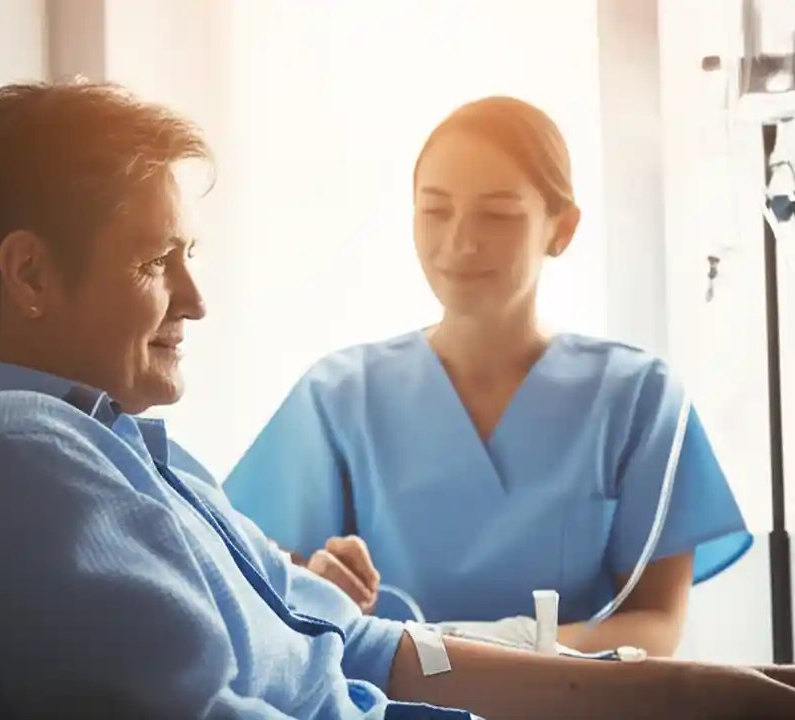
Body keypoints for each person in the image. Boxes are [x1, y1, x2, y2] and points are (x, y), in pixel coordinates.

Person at [0, 81, 795, 718]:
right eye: (156, 261)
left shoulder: (121, 449)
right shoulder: (15, 481)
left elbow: (359, 643)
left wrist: (690, 692)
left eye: (192, 256)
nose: (197, 299)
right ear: (29, 274)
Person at [224, 96, 753, 657]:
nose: (460, 242)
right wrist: (321, 587)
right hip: (383, 699)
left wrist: (472, 654)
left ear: (562, 228)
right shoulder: (338, 398)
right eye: (435, 211)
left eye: (497, 215)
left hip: (572, 700)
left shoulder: (639, 398)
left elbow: (654, 625)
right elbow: (268, 610)